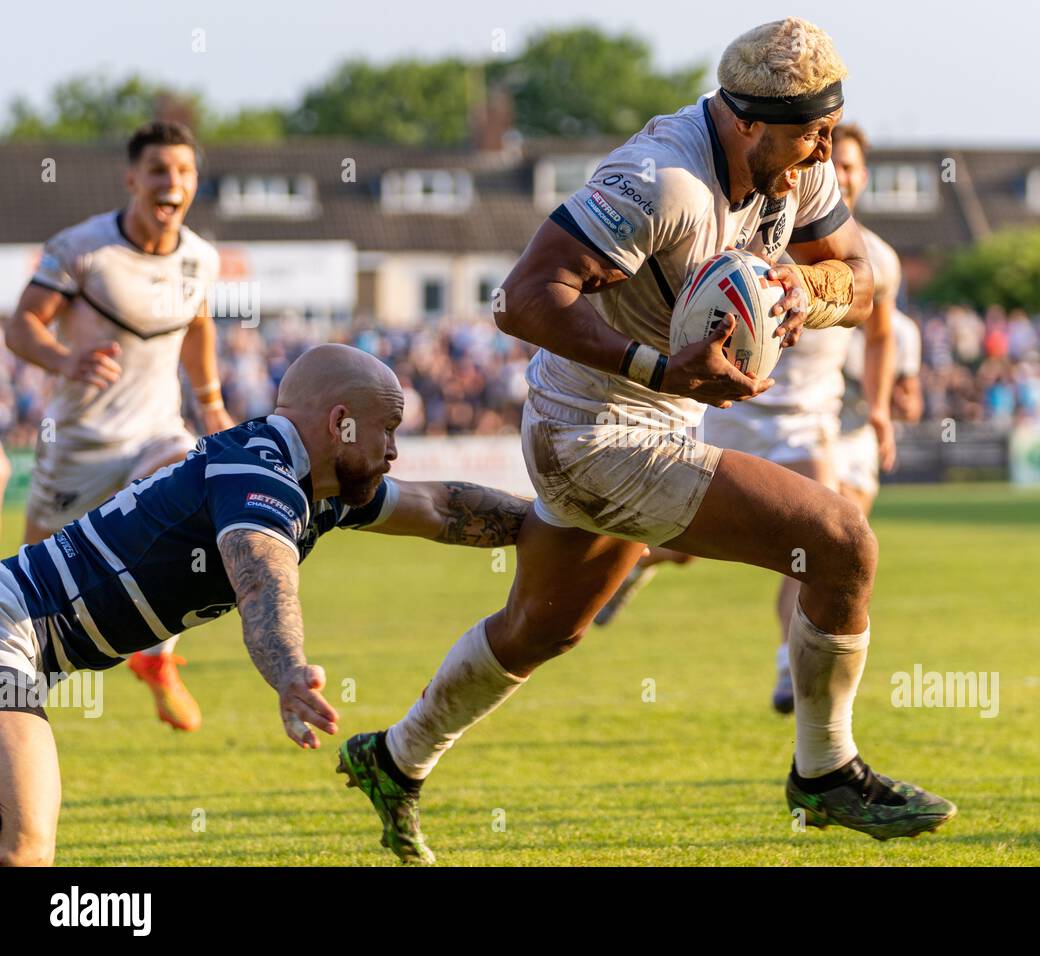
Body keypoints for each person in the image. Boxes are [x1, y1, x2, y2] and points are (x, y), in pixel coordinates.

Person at [337, 17, 956, 865]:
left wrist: (803, 288)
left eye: (827, 131)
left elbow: (862, 281)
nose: (824, 152)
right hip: (591, 432)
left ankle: (395, 758)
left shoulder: (795, 165)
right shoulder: (660, 182)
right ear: (746, 123)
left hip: (655, 422)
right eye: (809, 134)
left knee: (541, 629)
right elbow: (520, 298)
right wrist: (658, 367)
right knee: (839, 540)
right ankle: (825, 770)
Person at [0, 344, 530, 866]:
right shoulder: (258, 476)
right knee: (24, 849)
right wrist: (290, 671)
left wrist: (554, 524)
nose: (393, 451)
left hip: (31, 646)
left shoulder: (317, 487)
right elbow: (262, 583)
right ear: (340, 423)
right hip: (9, 628)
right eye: (387, 429)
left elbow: (438, 507)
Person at [593, 124, 924, 716]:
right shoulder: (759, 234)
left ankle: (787, 667)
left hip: (810, 418)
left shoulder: (873, 260)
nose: (839, 176)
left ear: (862, 175)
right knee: (696, 544)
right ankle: (635, 557)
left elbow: (879, 335)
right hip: (733, 405)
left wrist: (877, 410)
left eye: (849, 167)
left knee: (825, 537)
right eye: (832, 166)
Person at [4, 121, 234, 732]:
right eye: (159, 170)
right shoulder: (82, 249)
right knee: (32, 593)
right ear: (132, 178)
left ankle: (158, 659)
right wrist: (63, 358)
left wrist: (210, 402)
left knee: (195, 481)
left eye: (184, 172)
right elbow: (22, 323)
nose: (172, 183)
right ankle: (21, 706)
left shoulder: (200, 258)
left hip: (157, 432)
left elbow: (200, 325)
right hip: (78, 444)